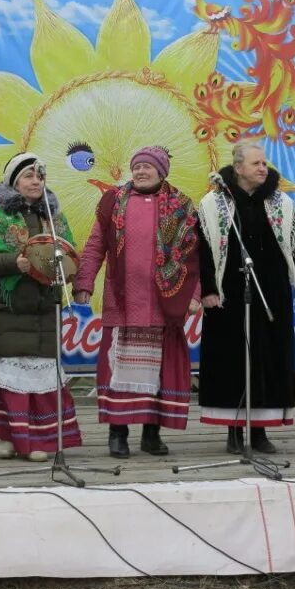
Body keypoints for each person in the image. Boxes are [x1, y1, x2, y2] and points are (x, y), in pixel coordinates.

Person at [74, 146, 201, 459]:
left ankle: (151, 435)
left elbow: (194, 255)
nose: (141, 171)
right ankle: (118, 434)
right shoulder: (113, 202)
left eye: (148, 167)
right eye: (137, 166)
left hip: (164, 303)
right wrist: (84, 282)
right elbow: (95, 246)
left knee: (156, 370)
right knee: (120, 370)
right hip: (124, 303)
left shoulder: (181, 206)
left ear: (161, 171)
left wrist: (196, 295)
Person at [197, 141, 295, 454]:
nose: (263, 168)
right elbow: (202, 252)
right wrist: (207, 289)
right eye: (256, 164)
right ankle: (234, 431)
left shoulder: (281, 203)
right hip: (228, 296)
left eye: (264, 163)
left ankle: (261, 431)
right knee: (232, 361)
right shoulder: (213, 203)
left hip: (271, 294)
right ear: (238, 169)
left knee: (268, 360)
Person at [0, 152, 82, 461]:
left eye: (39, 175)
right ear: (14, 181)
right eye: (28, 176)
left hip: (43, 307)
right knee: (9, 381)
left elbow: (70, 254)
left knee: (40, 382)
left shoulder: (54, 216)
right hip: (5, 309)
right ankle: (7, 438)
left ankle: (37, 440)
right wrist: (14, 263)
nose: (35, 181)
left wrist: (61, 267)